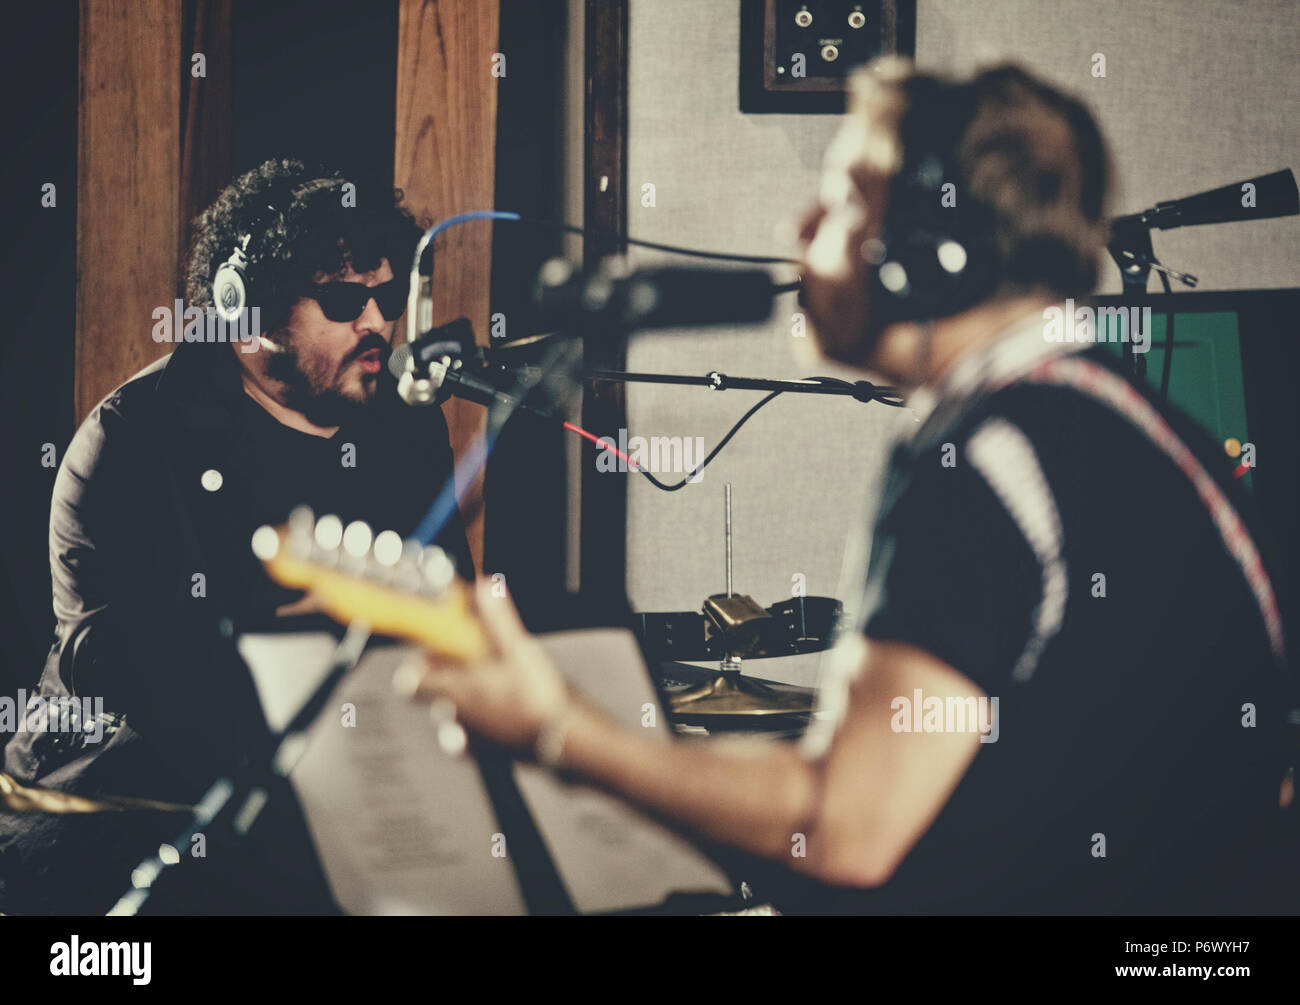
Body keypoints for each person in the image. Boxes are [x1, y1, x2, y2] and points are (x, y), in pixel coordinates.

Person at [398, 61, 1297, 914]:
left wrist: (557, 726)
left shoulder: (986, 449)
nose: (796, 233)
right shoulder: (1109, 413)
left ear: (924, 255)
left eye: (836, 202)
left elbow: (846, 829)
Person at [0, 158, 471, 914]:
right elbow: (143, 678)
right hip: (120, 812)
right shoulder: (131, 441)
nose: (378, 322)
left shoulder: (405, 425)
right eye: (345, 299)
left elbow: (447, 616)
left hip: (329, 786)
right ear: (245, 309)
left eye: (386, 296)